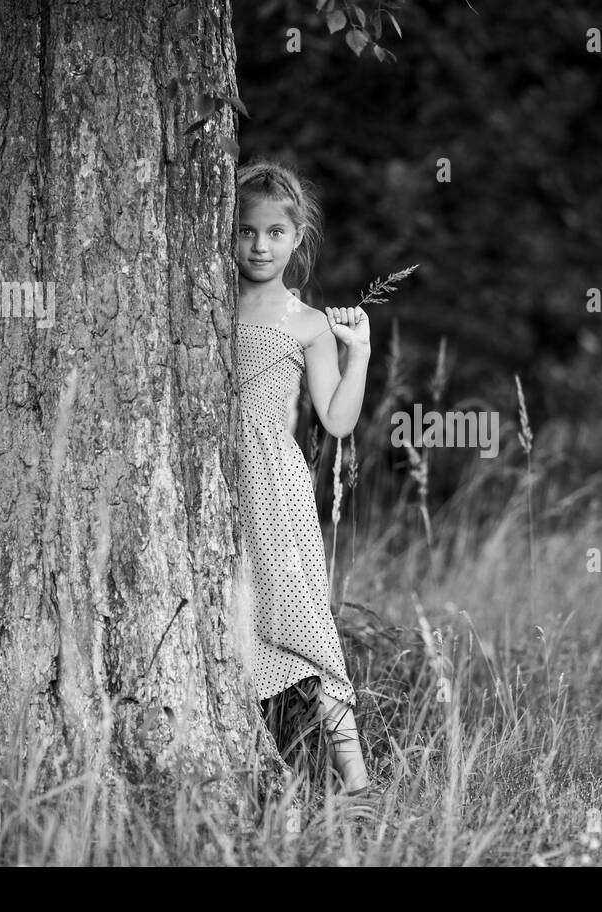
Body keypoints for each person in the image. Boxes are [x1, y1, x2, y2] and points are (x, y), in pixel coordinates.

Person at [233, 157, 373, 795]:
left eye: (275, 233)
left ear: (297, 237)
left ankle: (358, 782)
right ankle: (257, 772)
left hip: (276, 487)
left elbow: (337, 421)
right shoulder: (205, 298)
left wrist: (359, 353)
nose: (260, 245)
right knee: (231, 616)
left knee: (304, 622)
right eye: (246, 231)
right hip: (211, 480)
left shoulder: (309, 323)